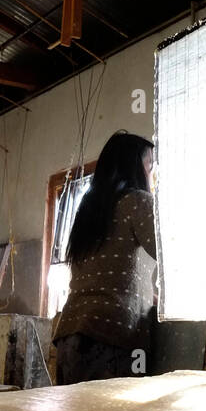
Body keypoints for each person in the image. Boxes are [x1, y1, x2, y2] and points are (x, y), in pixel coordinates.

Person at [52, 131, 158, 385]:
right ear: (135, 166)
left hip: (70, 336)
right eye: (150, 165)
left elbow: (109, 269)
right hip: (110, 335)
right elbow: (170, 256)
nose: (152, 173)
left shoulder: (89, 211)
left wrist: (146, 294)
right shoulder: (138, 201)